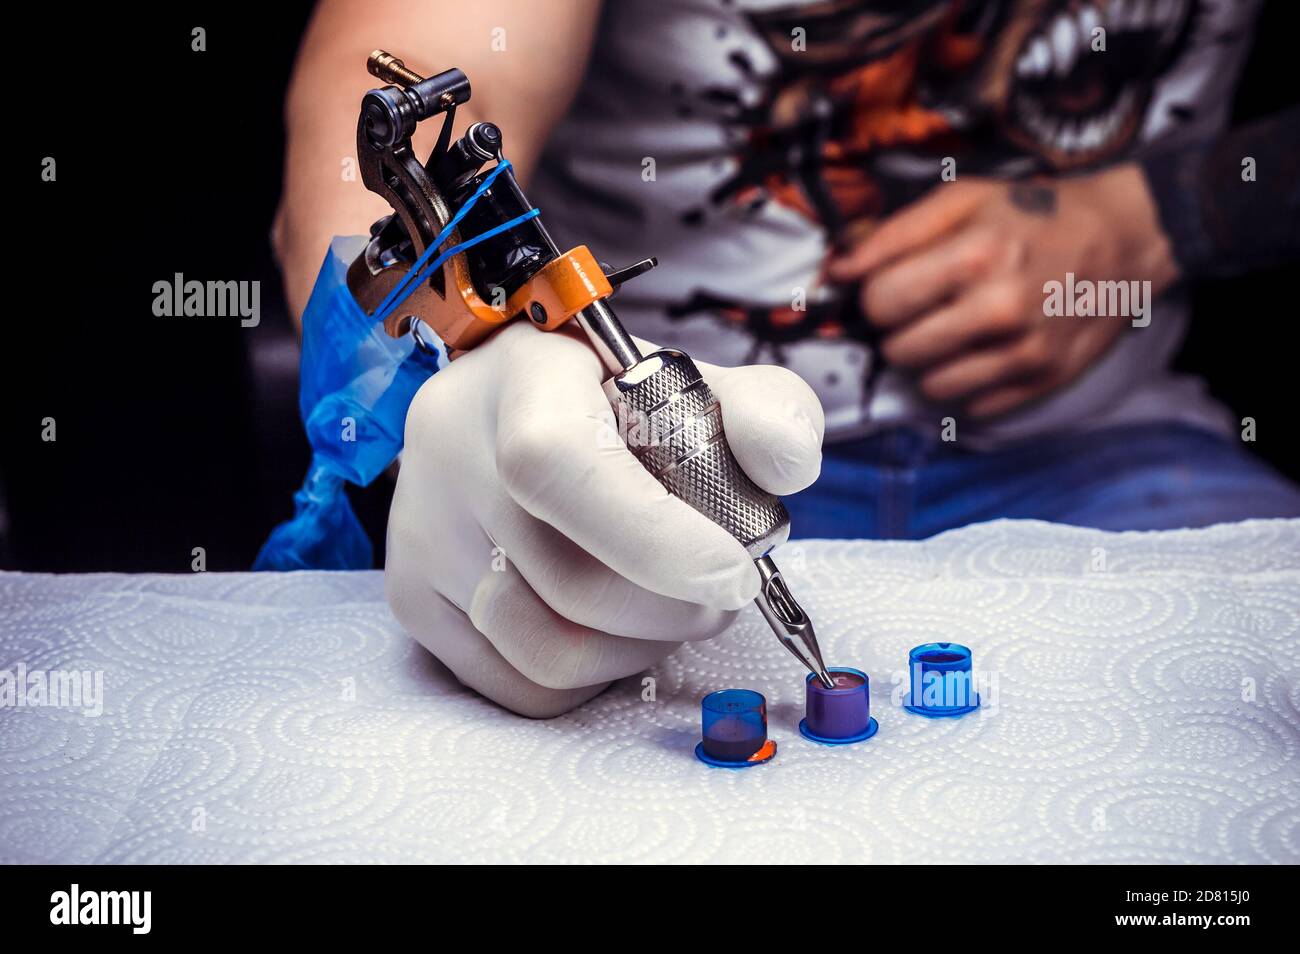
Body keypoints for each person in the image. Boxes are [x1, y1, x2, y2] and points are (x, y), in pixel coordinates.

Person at [274, 0, 1299, 715]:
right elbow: (403, 93)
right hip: (631, 475)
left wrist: (1177, 210)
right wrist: (453, 392)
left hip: (1119, 445)